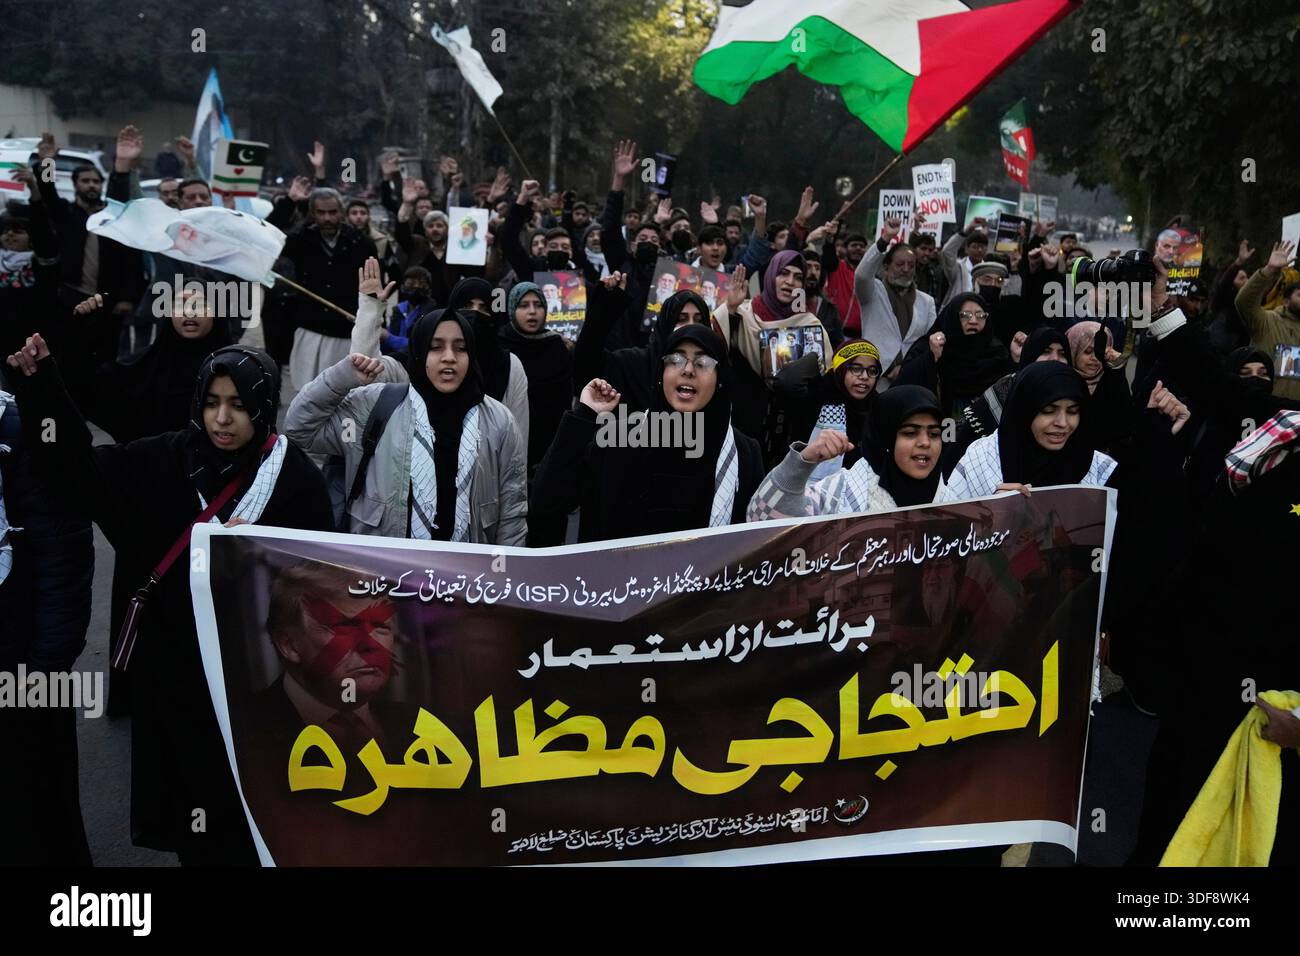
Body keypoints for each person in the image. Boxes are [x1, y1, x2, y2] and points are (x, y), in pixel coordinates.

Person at [6, 336, 334, 864]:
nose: (222, 419)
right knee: (195, 816)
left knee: (260, 812)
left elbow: (324, 579)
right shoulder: (162, 460)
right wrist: (43, 389)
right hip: (179, 679)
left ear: (264, 408)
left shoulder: (294, 479)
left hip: (260, 681)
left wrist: (268, 552)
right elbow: (78, 473)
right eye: (211, 402)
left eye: (239, 405)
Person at [284, 309, 526, 544]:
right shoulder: (376, 406)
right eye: (435, 347)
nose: (449, 357)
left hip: (467, 578)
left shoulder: (499, 421)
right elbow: (299, 429)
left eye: (460, 348)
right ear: (419, 351)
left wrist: (504, 575)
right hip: (382, 575)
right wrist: (342, 378)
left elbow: (512, 511)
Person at [532, 324, 762, 542]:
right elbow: (547, 503)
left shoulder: (743, 454)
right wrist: (584, 415)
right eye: (675, 359)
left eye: (702, 362)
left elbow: (757, 543)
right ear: (661, 374)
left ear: (720, 378)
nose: (688, 370)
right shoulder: (619, 439)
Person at [747, 385, 947, 519]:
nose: (925, 443)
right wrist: (802, 461)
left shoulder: (950, 499)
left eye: (934, 434)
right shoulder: (841, 492)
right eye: (910, 433)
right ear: (885, 437)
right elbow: (760, 518)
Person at [939, 362, 1120, 502]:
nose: (1063, 423)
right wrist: (990, 513)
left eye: (1073, 411)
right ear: (1024, 411)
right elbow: (949, 529)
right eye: (1048, 411)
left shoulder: (1099, 470)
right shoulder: (982, 459)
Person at [268, 186, 377, 389]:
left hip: (346, 332)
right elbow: (269, 236)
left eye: (333, 212)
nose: (327, 218)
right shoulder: (301, 241)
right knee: (308, 395)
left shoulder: (362, 244)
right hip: (310, 330)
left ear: (341, 212)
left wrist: (371, 322)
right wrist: (289, 202)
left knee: (345, 396)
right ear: (312, 213)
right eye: (321, 212)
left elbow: (372, 290)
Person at [943, 327, 1070, 475]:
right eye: (1046, 351)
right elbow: (961, 445)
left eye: (1062, 354)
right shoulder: (1006, 389)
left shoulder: (1075, 394)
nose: (1055, 359)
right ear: (1030, 355)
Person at [575, 278, 709, 412]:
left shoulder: (711, 372)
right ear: (665, 324)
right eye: (681, 319)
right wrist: (606, 305)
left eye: (699, 320)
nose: (691, 327)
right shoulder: (631, 364)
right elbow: (586, 364)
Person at [772, 338, 882, 480]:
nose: (865, 376)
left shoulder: (878, 406)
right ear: (840, 368)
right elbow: (787, 382)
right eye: (856, 368)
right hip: (805, 489)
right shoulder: (817, 396)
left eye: (872, 371)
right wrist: (813, 357)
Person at [499, 281, 574, 481]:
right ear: (512, 308)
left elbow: (563, 403)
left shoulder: (556, 346)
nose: (532, 312)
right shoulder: (500, 345)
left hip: (548, 453)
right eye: (524, 305)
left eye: (538, 305)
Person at [900, 292, 1014, 419]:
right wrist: (931, 358)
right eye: (965, 315)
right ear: (952, 317)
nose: (973, 321)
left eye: (980, 315)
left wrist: (1016, 359)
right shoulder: (930, 346)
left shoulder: (997, 352)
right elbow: (903, 388)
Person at [854, 216, 937, 389]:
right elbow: (862, 275)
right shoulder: (872, 292)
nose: (906, 270)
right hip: (873, 378)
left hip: (909, 380)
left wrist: (907, 368)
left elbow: (927, 343)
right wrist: (885, 239)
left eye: (911, 265)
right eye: (900, 264)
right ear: (886, 266)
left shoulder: (927, 302)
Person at [1235, 239, 1300, 402]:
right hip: (1265, 413)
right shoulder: (1267, 321)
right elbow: (1243, 302)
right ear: (1285, 301)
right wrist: (1269, 270)